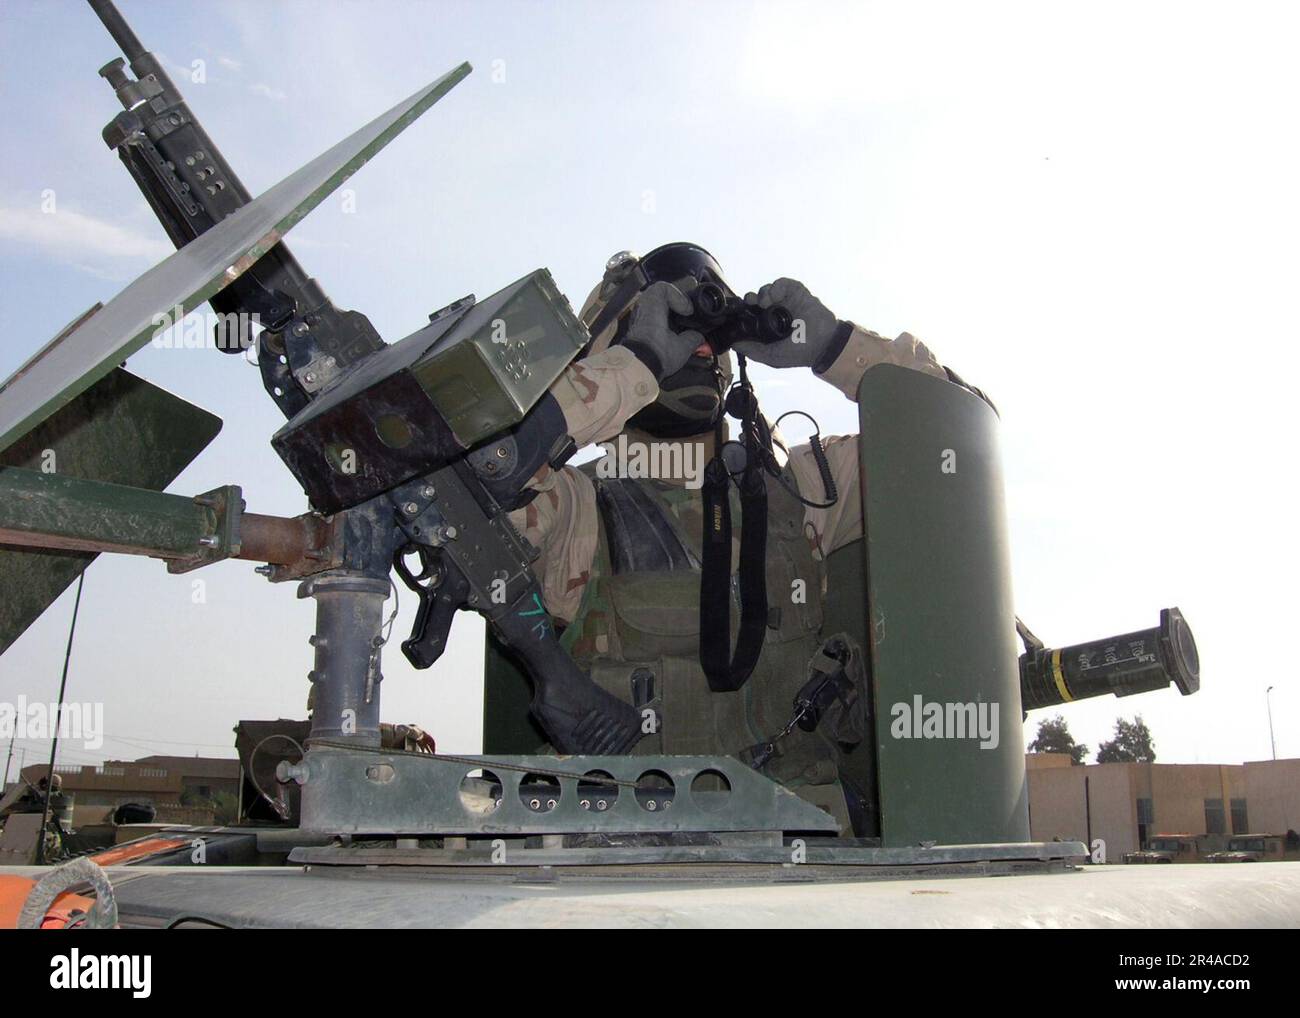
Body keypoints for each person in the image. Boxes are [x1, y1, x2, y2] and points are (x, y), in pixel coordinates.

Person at [483, 243, 949, 830]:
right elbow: (462, 484)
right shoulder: (571, 507)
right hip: (618, 867)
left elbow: (952, 450)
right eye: (671, 326)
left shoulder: (804, 489)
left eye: (707, 330)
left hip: (807, 862)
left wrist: (836, 348)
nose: (698, 345)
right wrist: (635, 365)